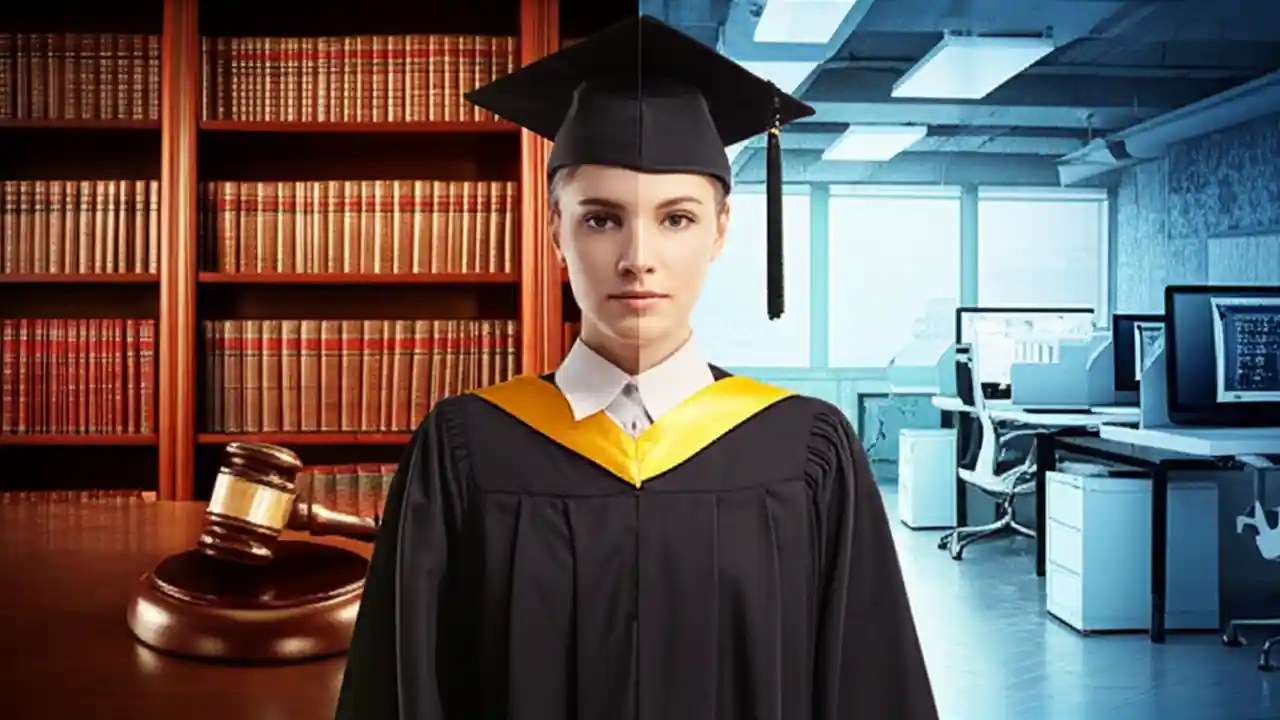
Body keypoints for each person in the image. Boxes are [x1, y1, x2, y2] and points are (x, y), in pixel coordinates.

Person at [334, 14, 937, 720]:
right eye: (600, 218)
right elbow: (403, 692)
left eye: (676, 218)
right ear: (555, 228)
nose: (637, 257)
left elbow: (870, 691)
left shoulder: (805, 454)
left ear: (720, 231)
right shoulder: (466, 451)